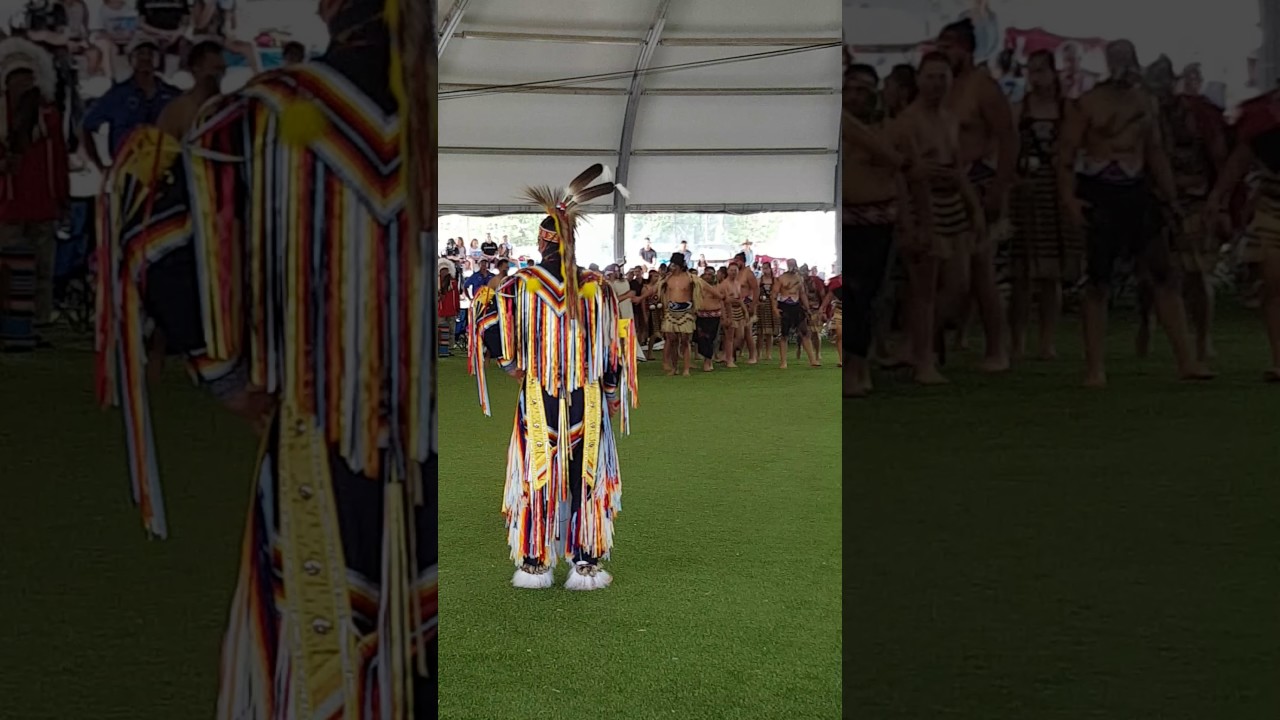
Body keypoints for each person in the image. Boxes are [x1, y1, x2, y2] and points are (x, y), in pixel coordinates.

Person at [93, 0, 437, 714]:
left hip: (321, 444)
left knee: (327, 657)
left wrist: (226, 376)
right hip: (439, 441)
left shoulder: (261, 117)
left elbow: (154, 234)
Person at [468, 164, 630, 590]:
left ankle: (535, 565)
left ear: (543, 241)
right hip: (587, 400)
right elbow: (612, 350)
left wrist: (509, 365)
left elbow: (488, 327)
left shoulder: (520, 285)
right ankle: (585, 565)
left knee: (538, 472)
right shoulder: (596, 287)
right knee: (585, 476)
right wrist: (610, 392)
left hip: (539, 396)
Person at [1058, 39, 1212, 387]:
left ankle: (1186, 360)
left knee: (1163, 273)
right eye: (1118, 60)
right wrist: (1068, 199)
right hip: (1099, 189)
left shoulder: (1145, 102)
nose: (1124, 66)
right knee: (1098, 281)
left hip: (1136, 190)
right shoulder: (1088, 103)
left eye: (1128, 59)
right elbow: (1066, 153)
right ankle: (1095, 367)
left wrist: (1171, 199)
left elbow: (1155, 152)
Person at [897, 52, 982, 384]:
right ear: (919, 80)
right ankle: (922, 360)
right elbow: (908, 173)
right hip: (923, 206)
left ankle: (918, 345)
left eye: (942, 77)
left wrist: (974, 208)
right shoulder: (908, 122)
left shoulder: (949, 119)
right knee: (925, 290)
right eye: (930, 77)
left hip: (952, 206)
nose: (936, 84)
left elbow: (958, 170)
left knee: (959, 285)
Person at [936, 18, 1014, 372]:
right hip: (944, 186)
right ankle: (931, 345)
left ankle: (998, 349)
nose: (943, 52)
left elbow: (1009, 139)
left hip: (980, 182)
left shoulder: (984, 87)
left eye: (949, 46)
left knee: (982, 271)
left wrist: (999, 188)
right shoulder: (943, 88)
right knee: (944, 271)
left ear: (967, 48)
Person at [1143, 56, 1227, 364]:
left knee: (1196, 272)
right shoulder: (1142, 113)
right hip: (1153, 198)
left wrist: (1220, 201)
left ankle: (1203, 338)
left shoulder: (1197, 114)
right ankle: (1151, 328)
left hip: (1194, 198)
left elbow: (1217, 155)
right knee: (1154, 273)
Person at [1008, 49, 1082, 360]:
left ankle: (1047, 340)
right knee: (1022, 271)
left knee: (1051, 273)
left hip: (1056, 192)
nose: (1036, 77)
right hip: (1026, 193)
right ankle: (1018, 340)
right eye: (1032, 71)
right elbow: (1008, 148)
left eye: (1041, 70)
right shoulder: (1018, 109)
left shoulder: (1069, 110)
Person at [1207, 89, 1280, 380]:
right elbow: (1240, 159)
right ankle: (1279, 359)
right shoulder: (1263, 117)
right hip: (1271, 205)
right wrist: (1217, 197)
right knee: (1274, 282)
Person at [0, 36, 68, 349]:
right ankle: (10, 325)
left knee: (42, 269)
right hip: (9, 205)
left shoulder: (49, 116)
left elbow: (58, 161)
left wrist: (61, 198)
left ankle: (36, 325)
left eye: (27, 77)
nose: (22, 83)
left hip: (42, 203)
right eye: (16, 77)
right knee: (10, 270)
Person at [81, 38, 180, 168]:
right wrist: (101, 167)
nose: (145, 58)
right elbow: (86, 125)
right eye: (140, 54)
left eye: (150, 53)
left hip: (164, 166)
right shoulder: (117, 95)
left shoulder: (173, 95)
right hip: (127, 168)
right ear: (130, 60)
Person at [155, 41, 225, 139]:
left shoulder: (226, 107)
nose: (220, 75)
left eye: (222, 69)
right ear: (196, 68)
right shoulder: (176, 111)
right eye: (215, 69)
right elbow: (163, 149)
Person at [659, 251, 696, 375]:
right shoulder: (667, 279)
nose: (671, 267)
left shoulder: (690, 278)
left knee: (685, 341)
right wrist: (640, 298)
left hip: (686, 311)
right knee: (672, 340)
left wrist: (719, 295)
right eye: (671, 265)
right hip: (671, 311)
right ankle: (674, 368)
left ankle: (686, 368)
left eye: (674, 265)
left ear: (679, 266)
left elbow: (705, 287)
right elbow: (654, 289)